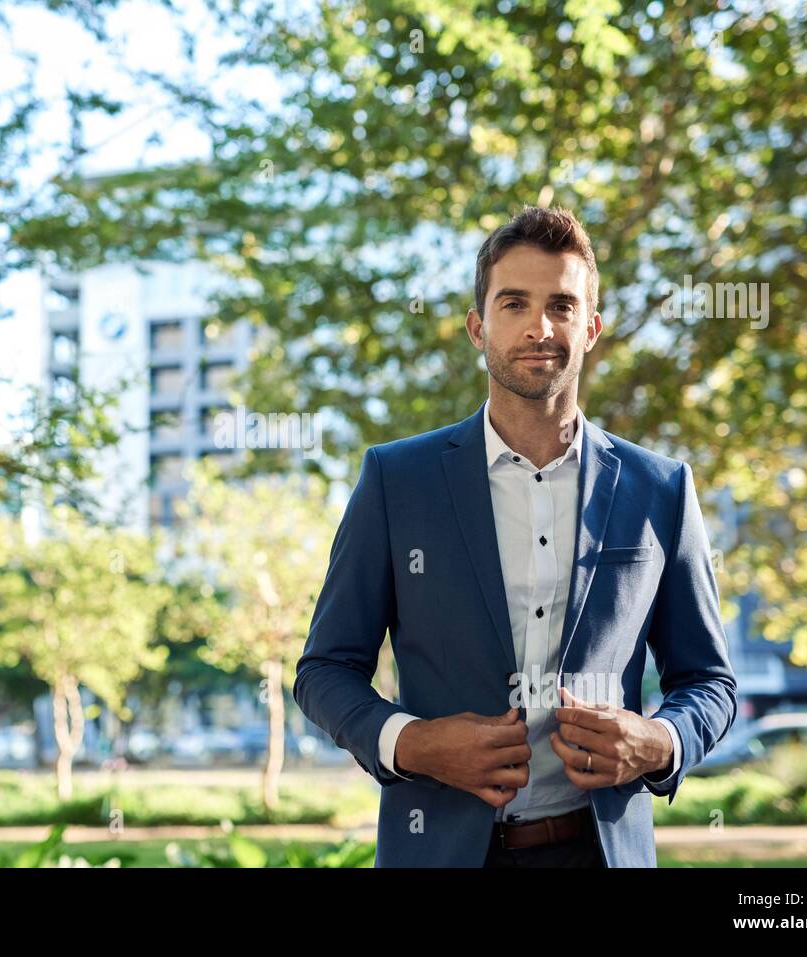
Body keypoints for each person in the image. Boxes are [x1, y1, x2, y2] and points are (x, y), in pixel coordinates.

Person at [293, 206, 737, 867]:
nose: (540, 326)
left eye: (562, 304)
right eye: (514, 303)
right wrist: (409, 741)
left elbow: (709, 680)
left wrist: (660, 741)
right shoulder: (396, 481)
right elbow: (325, 669)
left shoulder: (661, 489)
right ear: (479, 327)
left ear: (591, 327)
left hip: (601, 852)